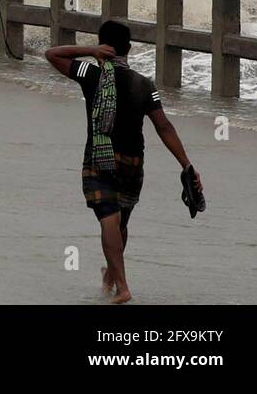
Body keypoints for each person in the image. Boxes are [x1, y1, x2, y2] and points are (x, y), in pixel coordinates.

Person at [44, 19, 202, 303]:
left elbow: (52, 54)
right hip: (133, 164)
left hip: (99, 159)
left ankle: (124, 287)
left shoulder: (90, 74)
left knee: (108, 220)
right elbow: (164, 126)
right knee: (119, 224)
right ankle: (110, 278)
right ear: (129, 48)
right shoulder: (144, 85)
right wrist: (186, 164)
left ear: (103, 44)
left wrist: (90, 51)